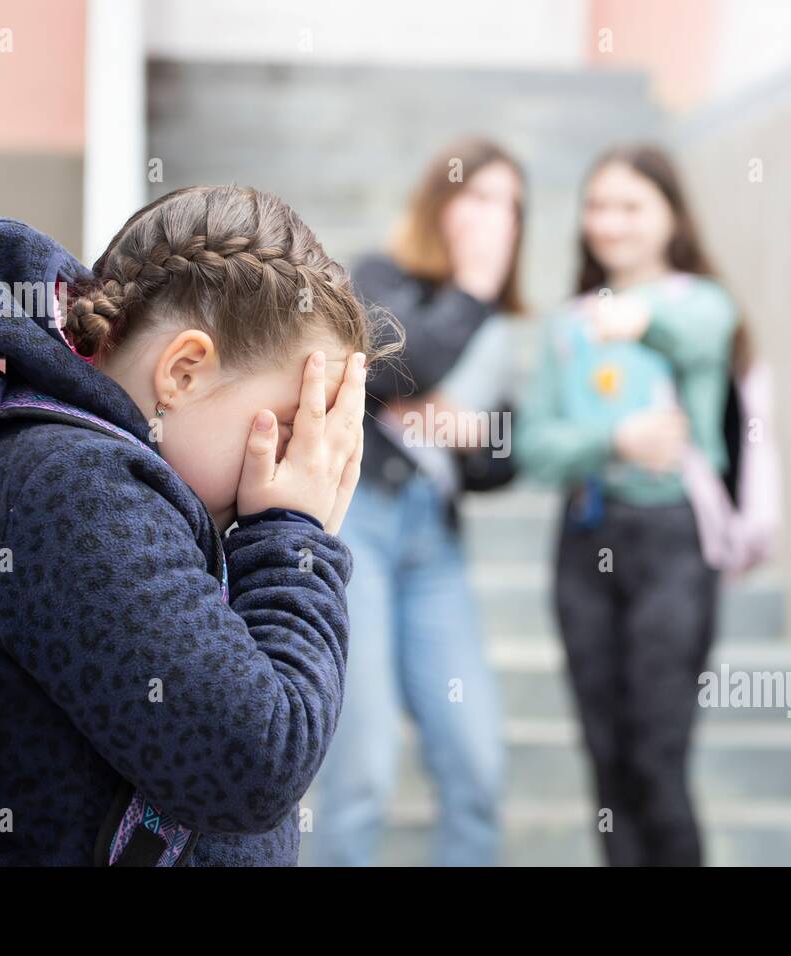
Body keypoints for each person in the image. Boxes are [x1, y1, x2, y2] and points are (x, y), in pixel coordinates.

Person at [0, 185, 382, 864]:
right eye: (286, 429)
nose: (295, 466)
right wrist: (293, 537)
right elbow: (252, 764)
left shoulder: (92, 473)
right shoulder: (73, 490)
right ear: (183, 372)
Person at [517, 144, 752, 866]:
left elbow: (701, 343)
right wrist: (614, 437)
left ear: (671, 216)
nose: (609, 222)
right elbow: (533, 447)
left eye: (630, 206)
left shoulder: (703, 304)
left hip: (673, 541)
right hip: (586, 539)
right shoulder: (566, 324)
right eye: (597, 206)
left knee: (657, 758)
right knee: (607, 759)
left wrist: (639, 322)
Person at [309, 138, 526, 866]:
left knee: (477, 763)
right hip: (362, 526)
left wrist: (467, 435)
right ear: (442, 201)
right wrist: (469, 291)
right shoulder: (380, 275)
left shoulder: (498, 328)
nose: (498, 219)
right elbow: (396, 364)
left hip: (436, 544)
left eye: (512, 207)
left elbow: (506, 463)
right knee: (362, 770)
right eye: (481, 197)